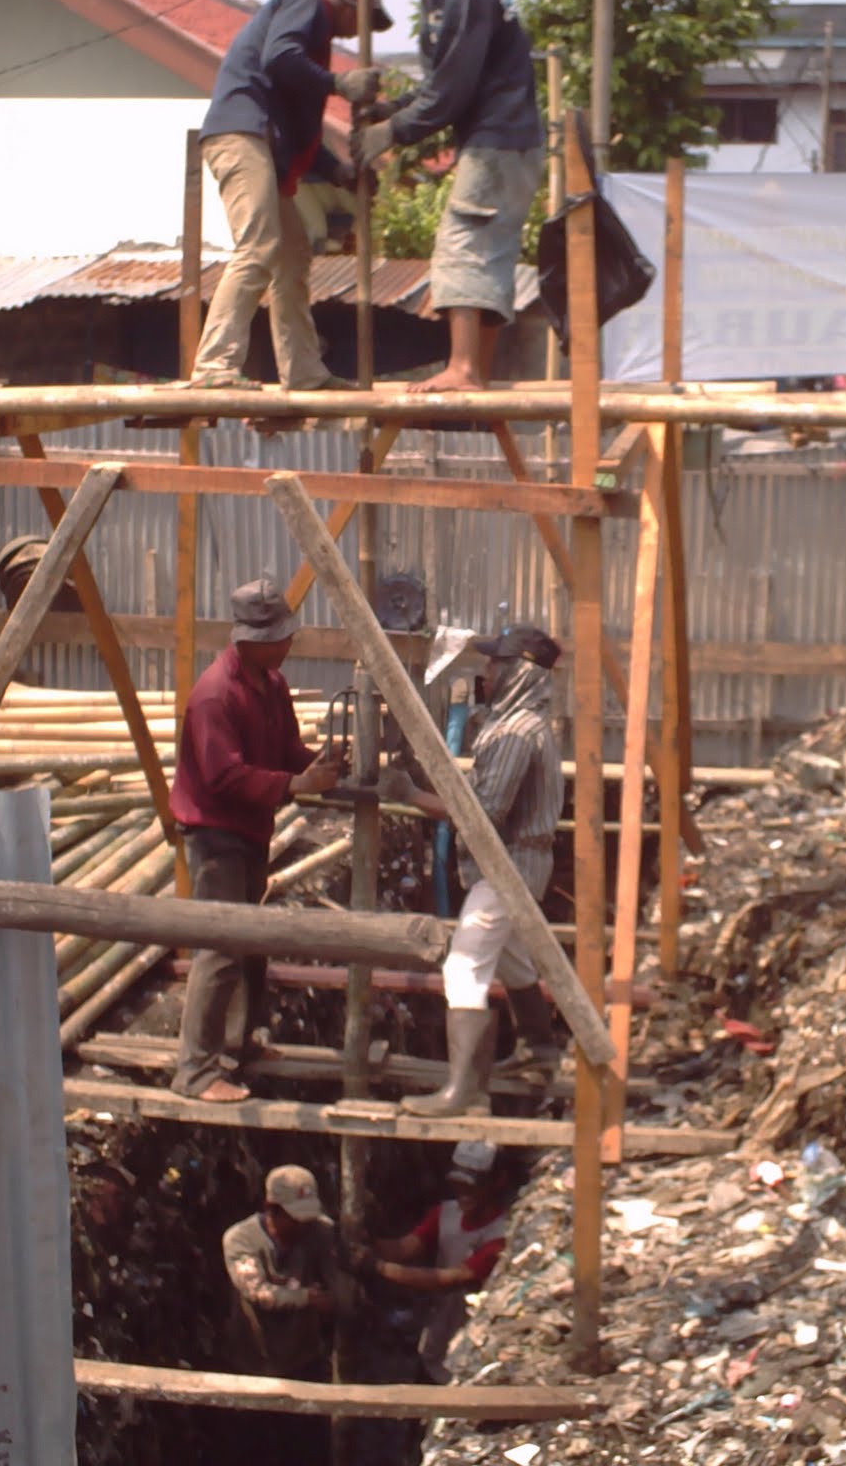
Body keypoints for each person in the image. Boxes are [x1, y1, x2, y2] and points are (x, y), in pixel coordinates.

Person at [356, 0, 543, 393]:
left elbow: (453, 92)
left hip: (500, 138)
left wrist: (391, 132)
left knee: (463, 244)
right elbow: (439, 80)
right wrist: (390, 109)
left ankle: (463, 369)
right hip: (500, 140)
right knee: (486, 250)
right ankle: (473, 372)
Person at [378, 626, 564, 1117]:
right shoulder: (520, 726)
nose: (486, 672)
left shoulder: (515, 733)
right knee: (512, 959)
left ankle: (465, 1092)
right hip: (516, 863)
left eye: (494, 664)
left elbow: (484, 812)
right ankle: (540, 1049)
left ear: (518, 672)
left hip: (510, 866)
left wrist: (412, 797)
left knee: (463, 967)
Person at [171, 577, 340, 1102]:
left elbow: (285, 747)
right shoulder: (214, 697)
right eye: (283, 637)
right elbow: (224, 776)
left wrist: (319, 762)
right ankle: (195, 1071)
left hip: (250, 829)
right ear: (252, 641)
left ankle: (235, 1047)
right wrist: (296, 785)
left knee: (250, 944)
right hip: (217, 834)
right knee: (221, 947)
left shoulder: (272, 684)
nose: (290, 644)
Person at [189, 0, 391, 393]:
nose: (361, 33)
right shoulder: (305, 2)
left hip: (261, 142)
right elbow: (280, 59)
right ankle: (212, 366)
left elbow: (302, 136)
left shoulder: (311, 54)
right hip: (240, 134)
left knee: (293, 254)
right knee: (259, 245)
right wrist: (341, 85)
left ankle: (302, 371)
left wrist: (340, 172)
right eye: (364, 17)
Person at [351, 1141, 510, 1381]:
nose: (464, 1193)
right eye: (458, 1185)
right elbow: (405, 1248)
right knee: (429, 1367)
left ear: (497, 1182)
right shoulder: (446, 1213)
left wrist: (379, 1268)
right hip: (439, 1328)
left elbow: (451, 1279)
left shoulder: (501, 1235)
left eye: (472, 1186)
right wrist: (368, 1237)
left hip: (473, 1335)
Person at [223, 1165, 338, 1454]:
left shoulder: (319, 1232)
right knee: (256, 1449)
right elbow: (256, 1291)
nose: (304, 1225)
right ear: (270, 1209)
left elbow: (337, 1278)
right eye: (296, 1218)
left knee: (306, 1448)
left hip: (304, 1360)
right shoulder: (240, 1239)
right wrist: (306, 1299)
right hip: (254, 1363)